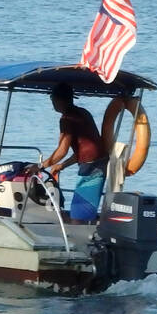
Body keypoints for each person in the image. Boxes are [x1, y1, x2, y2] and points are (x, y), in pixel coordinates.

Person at [38, 82, 107, 222]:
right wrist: (61, 166)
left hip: (92, 166)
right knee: (83, 208)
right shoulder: (83, 112)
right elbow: (82, 150)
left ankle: (80, 236)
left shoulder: (67, 119)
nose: (52, 102)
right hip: (97, 162)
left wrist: (40, 166)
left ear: (59, 100)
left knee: (80, 212)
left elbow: (62, 151)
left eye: (52, 98)